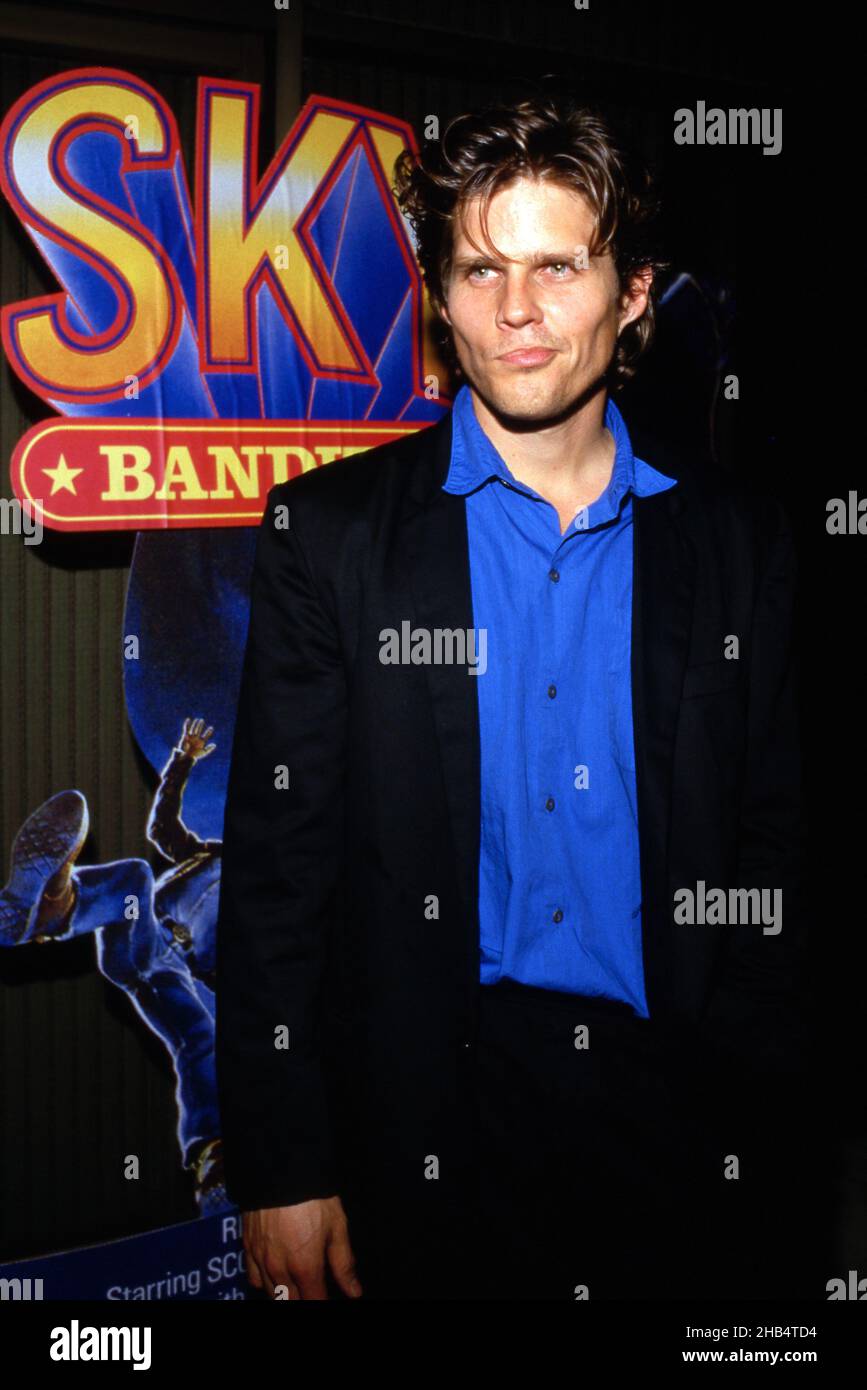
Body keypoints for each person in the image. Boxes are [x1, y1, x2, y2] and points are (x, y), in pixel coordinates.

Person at [214, 92, 811, 1300]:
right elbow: (280, 868)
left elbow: (781, 844)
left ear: (633, 290)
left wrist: (754, 1101)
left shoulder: (740, 543)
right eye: (480, 269)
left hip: (681, 1120)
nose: (519, 313)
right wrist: (282, 1159)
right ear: (438, 295)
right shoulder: (328, 537)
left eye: (558, 265)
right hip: (424, 1117)